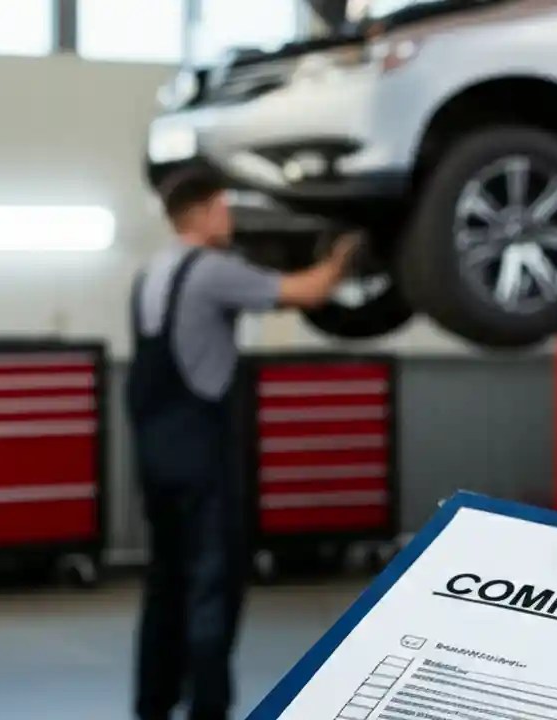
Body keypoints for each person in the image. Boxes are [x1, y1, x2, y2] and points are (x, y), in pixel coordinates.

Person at [127, 168, 359, 720]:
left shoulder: (149, 273)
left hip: (154, 455)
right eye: (225, 208)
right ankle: (209, 708)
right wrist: (347, 251)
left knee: (165, 583)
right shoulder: (212, 272)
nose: (230, 219)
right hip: (201, 454)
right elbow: (309, 291)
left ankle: (153, 704)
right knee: (214, 584)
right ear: (205, 213)